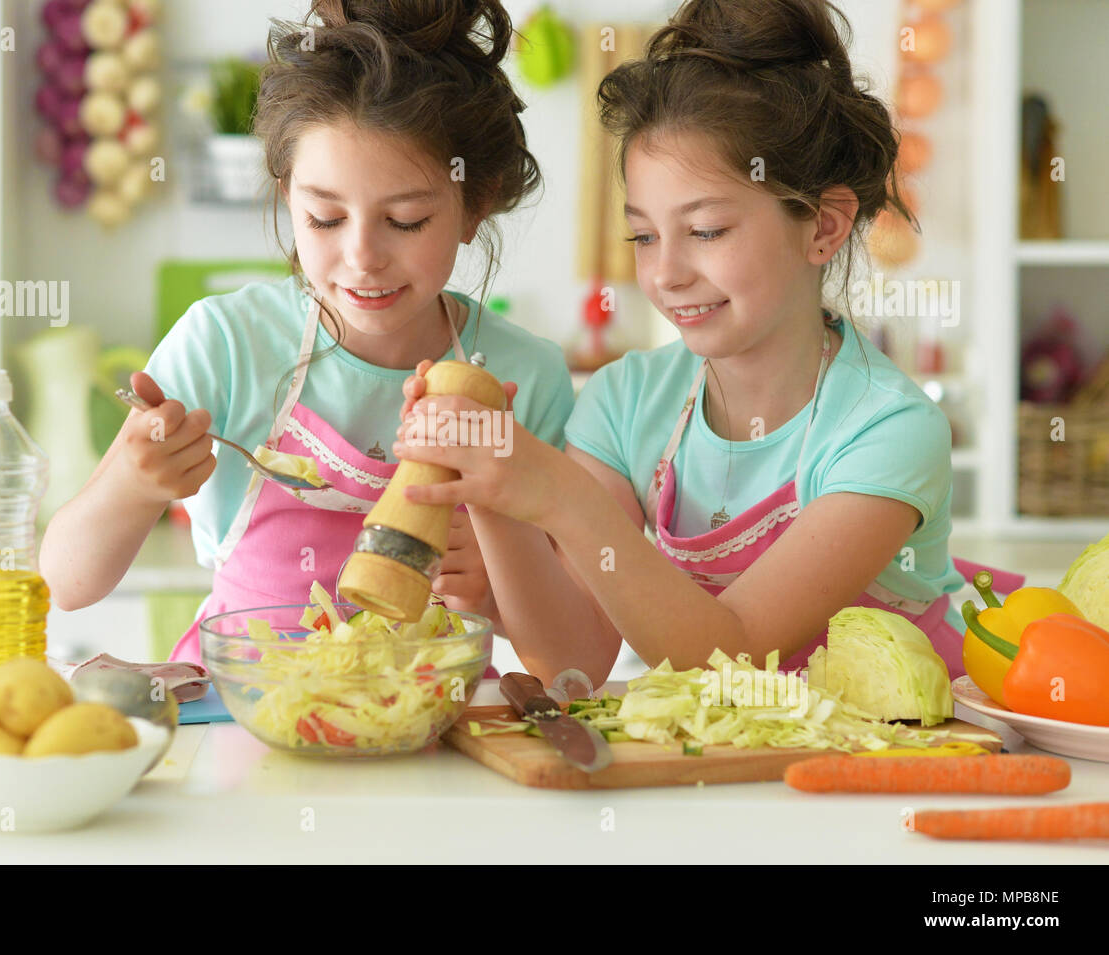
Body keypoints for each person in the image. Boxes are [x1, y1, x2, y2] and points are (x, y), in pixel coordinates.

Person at [393, 0, 1021, 687]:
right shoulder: (627, 403)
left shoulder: (887, 429)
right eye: (644, 235)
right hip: (724, 772)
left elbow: (736, 650)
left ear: (824, 227)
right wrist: (496, 493)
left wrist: (559, 495)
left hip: (885, 766)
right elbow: (575, 661)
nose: (665, 272)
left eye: (708, 231)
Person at [40, 0, 575, 666]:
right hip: (245, 725)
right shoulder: (227, 346)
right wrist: (133, 480)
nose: (362, 256)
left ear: (476, 204)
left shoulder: (525, 377)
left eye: (405, 221)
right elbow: (64, 581)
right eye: (324, 217)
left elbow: (571, 664)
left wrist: (500, 583)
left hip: (431, 749)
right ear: (288, 193)